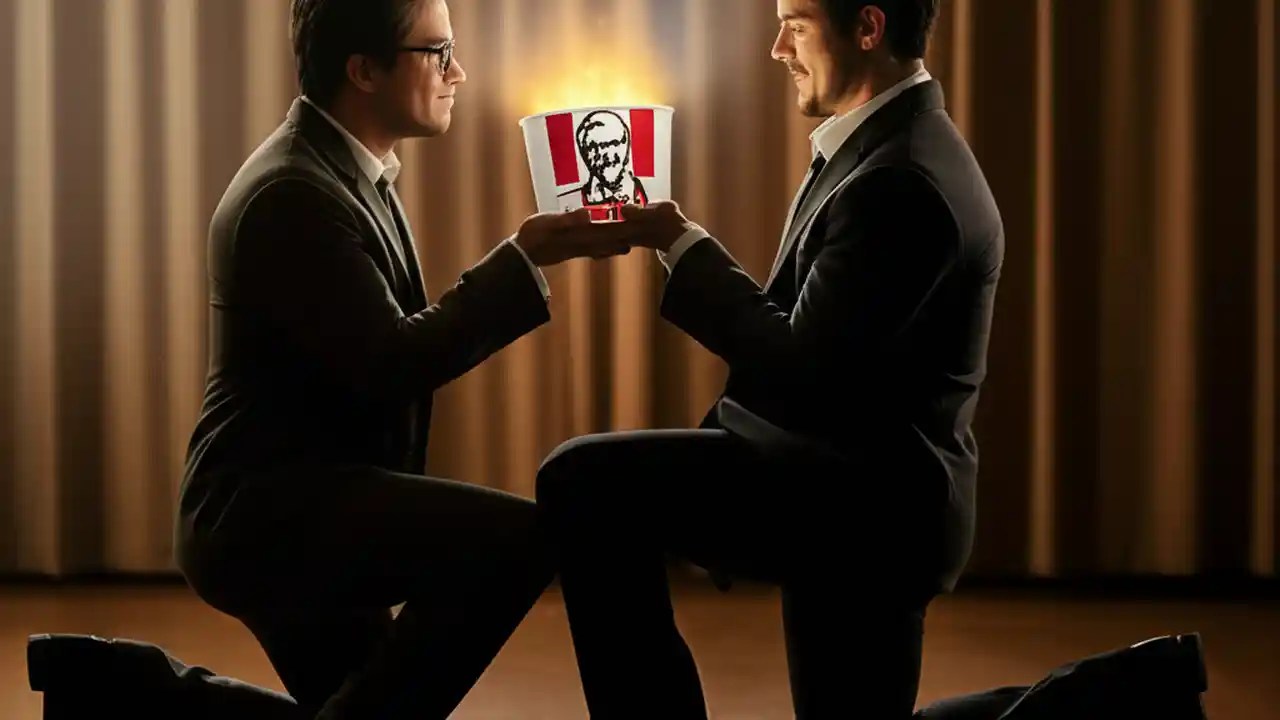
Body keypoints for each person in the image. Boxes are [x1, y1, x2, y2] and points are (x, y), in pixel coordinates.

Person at [28, 1, 633, 719]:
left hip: (309, 496)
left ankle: (112, 681)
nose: (458, 73)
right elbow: (391, 362)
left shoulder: (342, 169)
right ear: (364, 70)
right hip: (269, 512)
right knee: (519, 541)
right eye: (437, 53)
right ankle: (121, 681)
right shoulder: (293, 193)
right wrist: (527, 257)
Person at [534, 0, 1002, 717]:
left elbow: (802, 366)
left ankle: (1117, 695)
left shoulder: (901, 177)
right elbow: (813, 341)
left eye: (797, 22)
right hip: (842, 480)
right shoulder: (881, 148)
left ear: (869, 28)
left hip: (860, 506)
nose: (777, 48)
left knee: (582, 483)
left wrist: (679, 243)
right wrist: (676, 238)